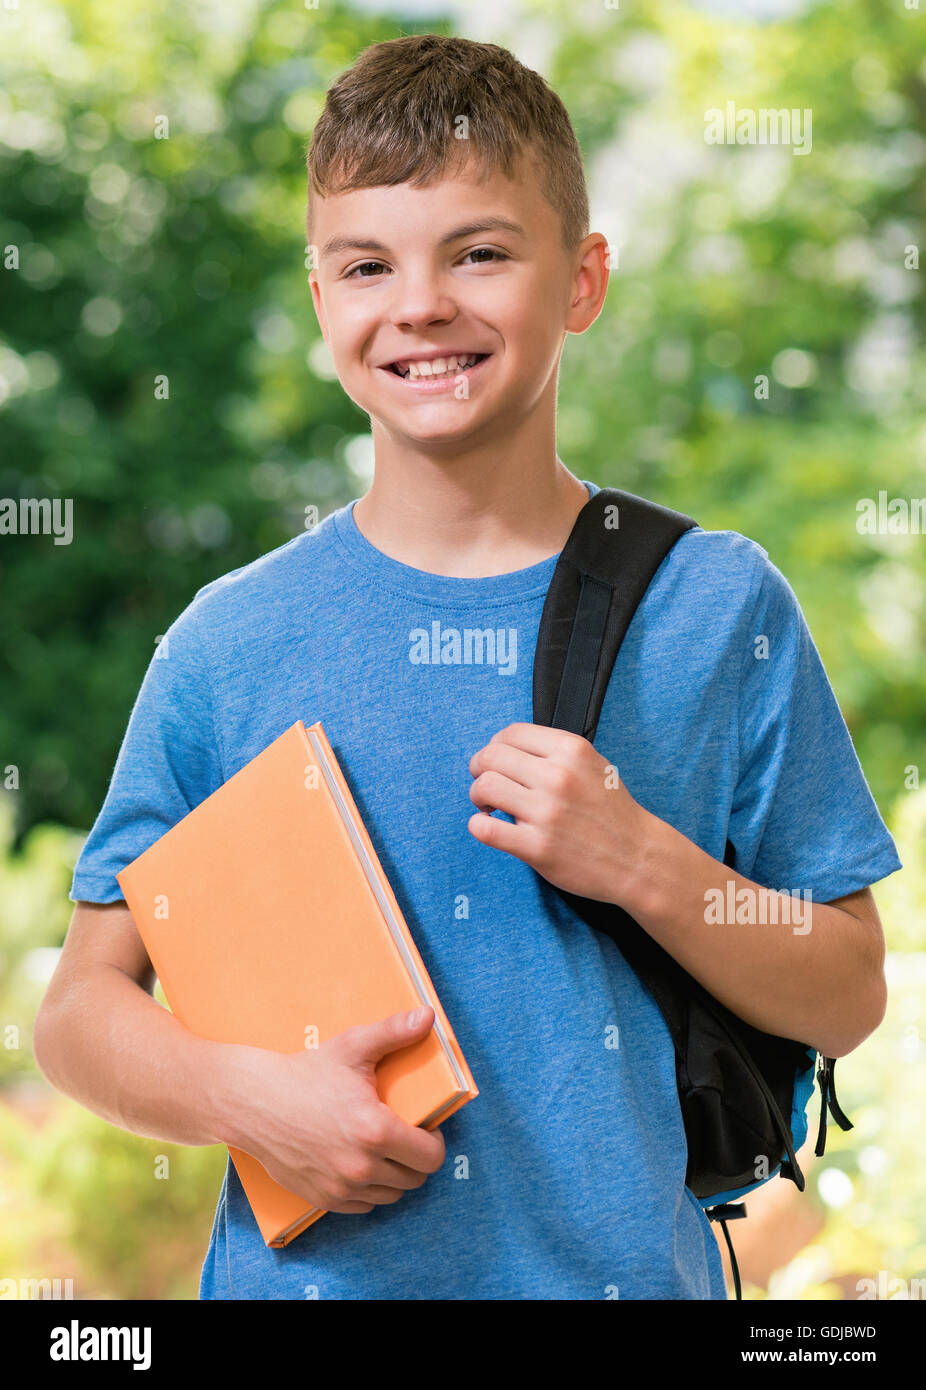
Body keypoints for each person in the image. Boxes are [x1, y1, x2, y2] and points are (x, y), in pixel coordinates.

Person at [35, 33, 901, 1301]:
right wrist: (249, 1099)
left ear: (582, 280)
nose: (421, 304)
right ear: (323, 298)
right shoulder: (228, 642)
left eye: (480, 252)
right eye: (367, 264)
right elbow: (77, 1012)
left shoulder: (714, 605)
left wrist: (644, 862)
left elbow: (847, 993)